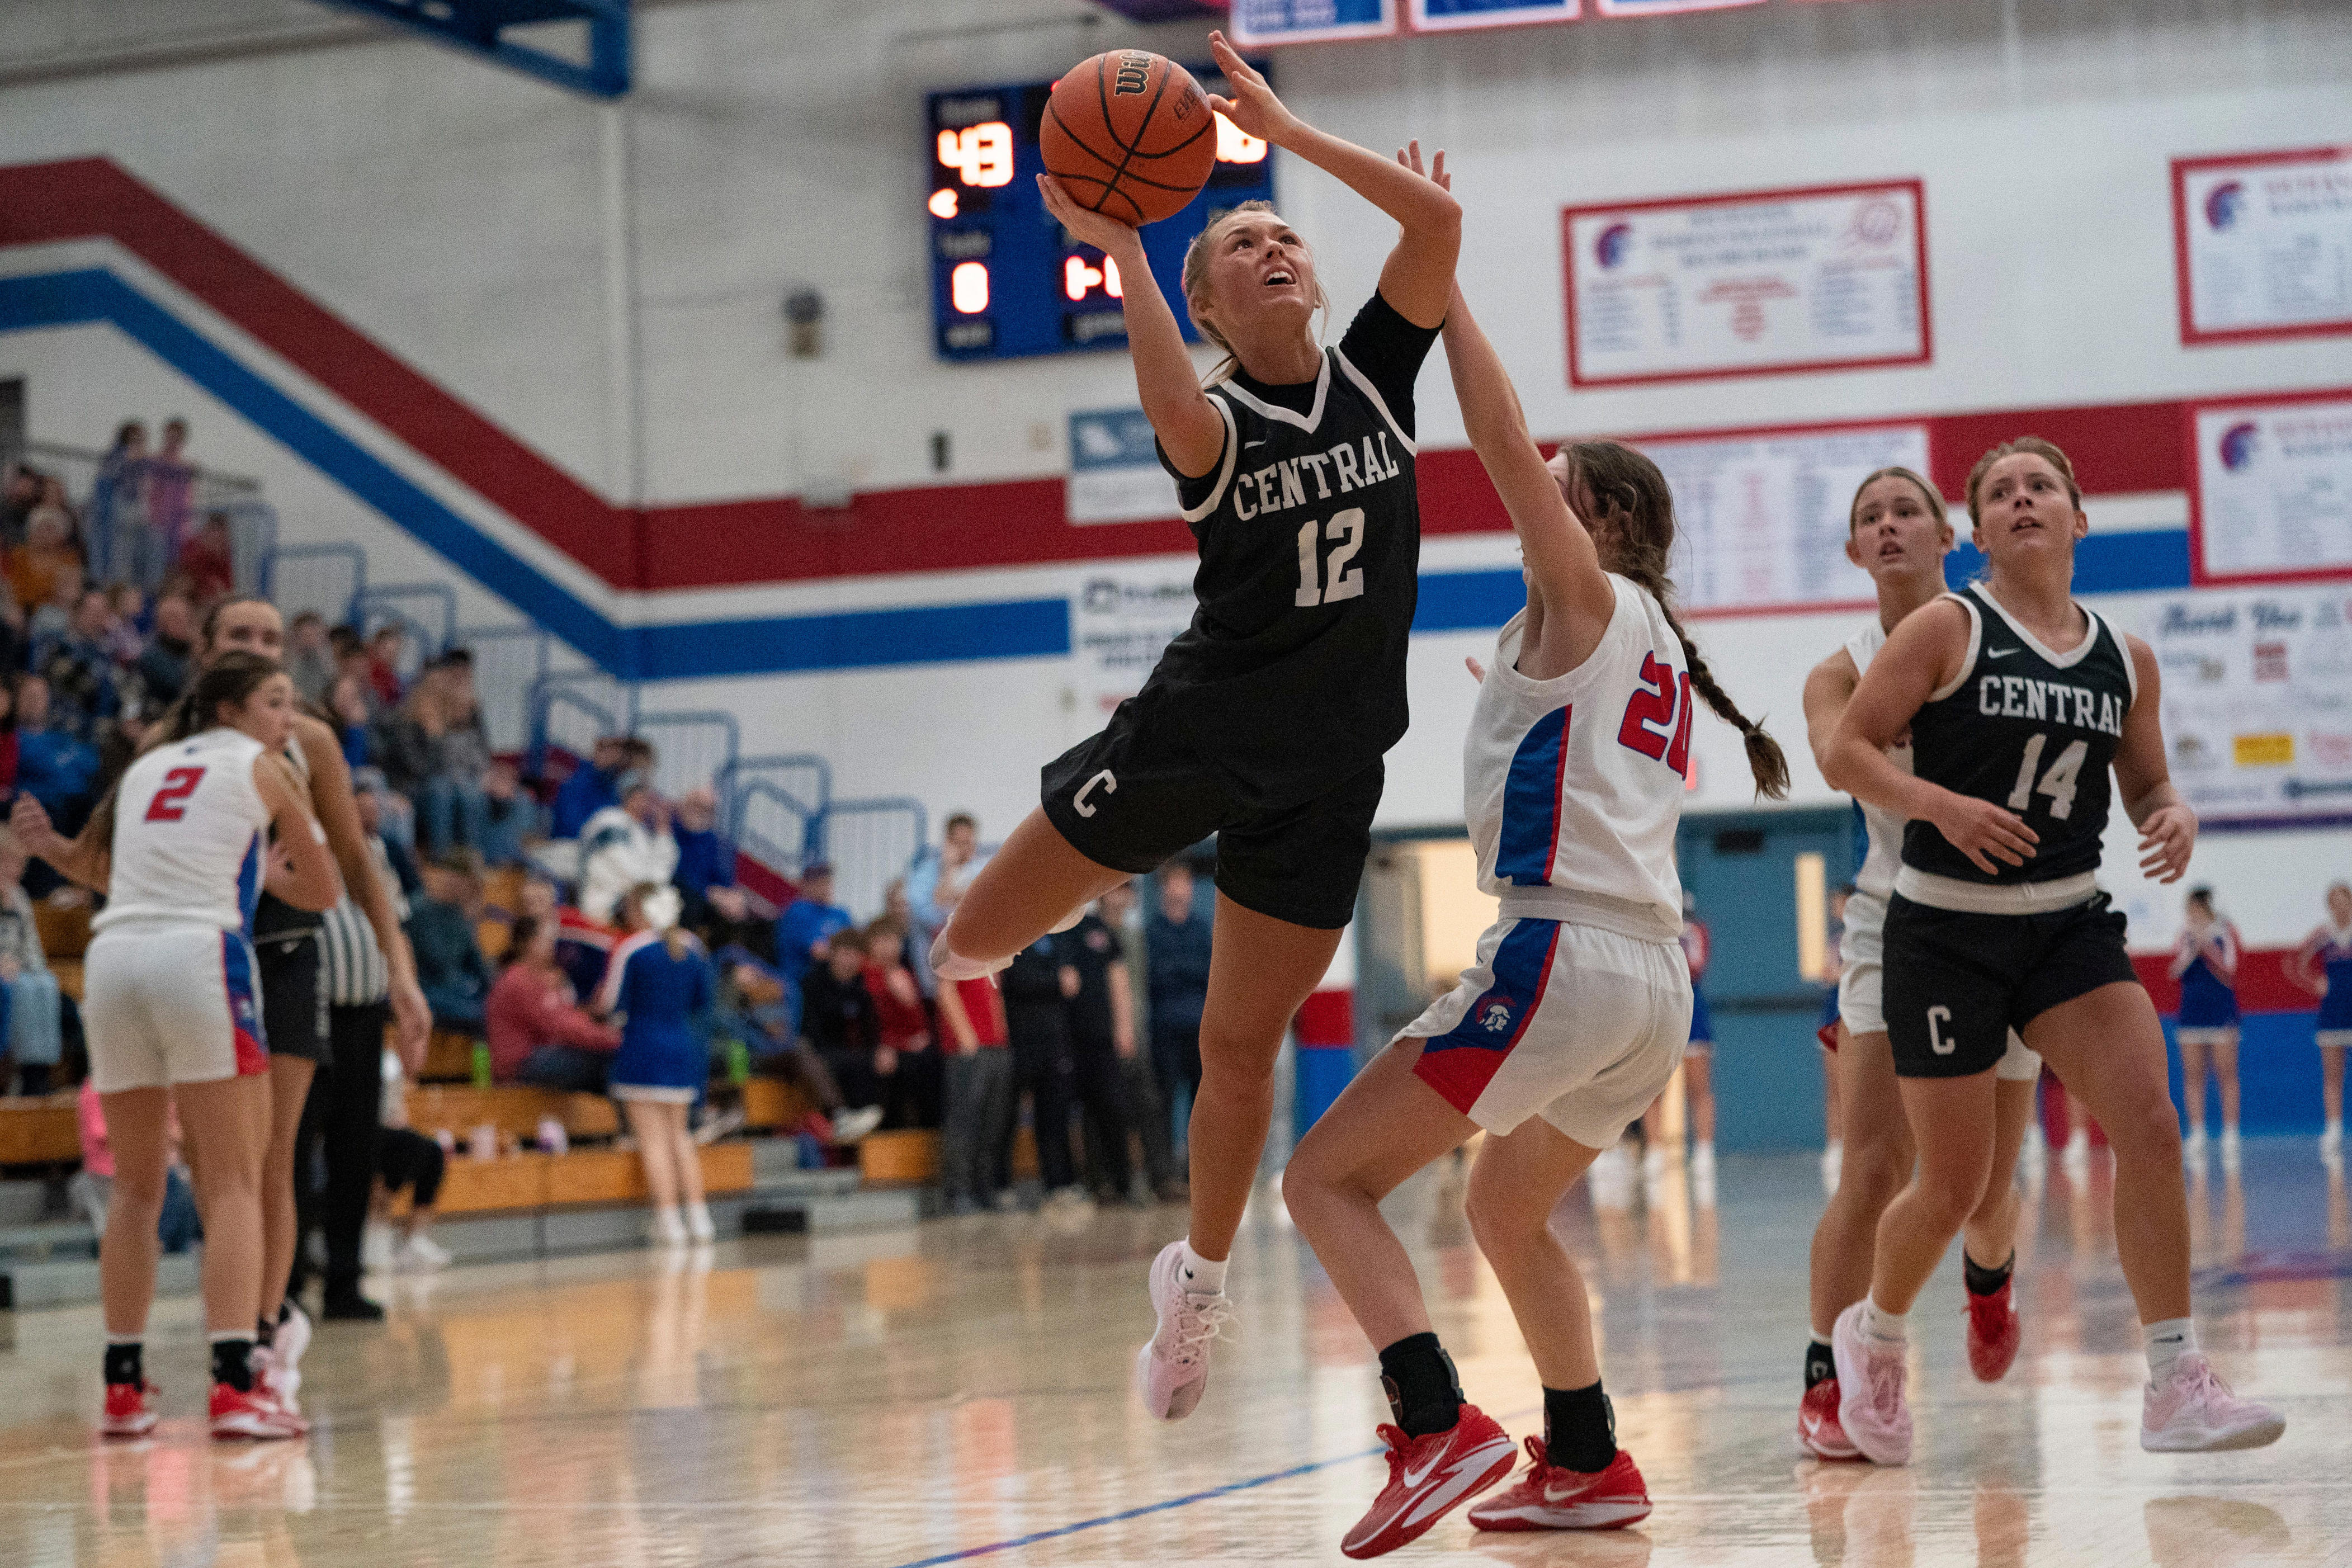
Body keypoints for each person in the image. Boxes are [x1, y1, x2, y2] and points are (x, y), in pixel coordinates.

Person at [931, 35, 1461, 1421]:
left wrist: (1287, 131)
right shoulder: (1212, 422)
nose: (1272, 243)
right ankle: (1038, 898)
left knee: (1241, 1054)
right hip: (1192, 736)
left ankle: (1197, 1287)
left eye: (1283, 231)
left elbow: (1438, 224)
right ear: (1207, 303)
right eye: (1239, 240)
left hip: (1330, 767)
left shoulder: (1374, 376)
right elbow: (1163, 393)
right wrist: (1119, 241)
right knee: (970, 943)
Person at [1283, 251, 1789, 1554]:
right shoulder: (1649, 637)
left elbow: (1496, 433)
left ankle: (1431, 1419)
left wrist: (1438, 286)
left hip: (1558, 950)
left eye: (1560, 490)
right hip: (1645, 979)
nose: (1531, 496)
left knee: (1324, 1179)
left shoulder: (1588, 596)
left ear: (1603, 522)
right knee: (1501, 1207)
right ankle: (1582, 1456)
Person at [1821, 435, 2283, 1460]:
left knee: (2152, 1123)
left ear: (2079, 517)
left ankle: (2173, 1376)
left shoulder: (2126, 655)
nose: (2022, 499)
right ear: (1976, 531)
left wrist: (2174, 813)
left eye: (2041, 487)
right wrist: (1941, 803)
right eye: (1999, 492)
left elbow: (2148, 783)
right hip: (1943, 924)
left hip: (2068, 921)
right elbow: (1850, 745)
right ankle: (1878, 1333)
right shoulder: (1947, 626)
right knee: (1954, 1184)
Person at [16, 651, 342, 1439]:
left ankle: (123, 1388)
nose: (284, 720)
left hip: (114, 957)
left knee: (134, 1188)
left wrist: (52, 849)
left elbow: (94, 867)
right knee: (231, 1181)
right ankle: (235, 1386)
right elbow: (325, 888)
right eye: (273, 702)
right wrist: (260, 876)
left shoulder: (149, 764)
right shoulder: (267, 766)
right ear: (230, 711)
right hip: (200, 956)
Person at [1793, 466, 2047, 1463]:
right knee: (1870, 1166)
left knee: (1980, 1187)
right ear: (1855, 552)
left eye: (1905, 510)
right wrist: (1937, 801)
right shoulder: (1838, 672)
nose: (1888, 525)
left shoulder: (2006, 642)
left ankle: (1990, 1274)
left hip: (2003, 925)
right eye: (1869, 517)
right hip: (1891, 923)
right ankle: (1827, 1373)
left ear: (1951, 534)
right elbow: (1833, 756)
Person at [295, 768, 407, 1314]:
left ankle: (345, 1282)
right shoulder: (291, 842)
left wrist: (407, 993)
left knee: (356, 1153)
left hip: (365, 1016)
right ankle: (287, 1284)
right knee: (293, 1155)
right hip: (306, 1016)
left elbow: (394, 928)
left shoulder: (372, 852)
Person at [599, 883, 717, 1245]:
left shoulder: (633, 949)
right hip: (682, 1047)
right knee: (680, 1137)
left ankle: (669, 1222)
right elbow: (704, 1000)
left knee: (652, 1141)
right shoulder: (693, 948)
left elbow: (610, 1003)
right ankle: (699, 1218)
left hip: (642, 1048)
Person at [998, 930, 1084, 1210]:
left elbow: (1072, 980)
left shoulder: (1059, 936)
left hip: (1055, 1038)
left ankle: (1059, 1184)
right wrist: (1055, 981)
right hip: (1017, 1039)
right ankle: (1000, 1184)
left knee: (1054, 1114)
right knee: (1006, 1116)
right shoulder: (1011, 935)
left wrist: (1058, 981)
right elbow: (1013, 979)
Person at [487, 914, 621, 1089]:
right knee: (607, 1064)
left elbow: (566, 1020)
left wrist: (607, 1035)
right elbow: (561, 1027)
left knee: (609, 1059)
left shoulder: (537, 979)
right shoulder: (518, 981)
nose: (553, 946)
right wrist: (616, 1040)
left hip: (537, 1056)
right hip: (520, 1065)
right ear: (531, 943)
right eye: (548, 940)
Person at [1063, 896, 1138, 1206]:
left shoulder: (1097, 928)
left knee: (1113, 1109)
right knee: (1082, 1117)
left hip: (1103, 1037)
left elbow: (1118, 977)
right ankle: (1097, 1183)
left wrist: (1124, 1026)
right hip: (1066, 1040)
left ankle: (1125, 1181)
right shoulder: (1048, 932)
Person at [1641, 893, 1715, 1191]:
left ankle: (1704, 1152)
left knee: (1699, 1087)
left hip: (1693, 1010)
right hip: (1662, 1010)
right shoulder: (1651, 929)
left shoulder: (1696, 931)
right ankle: (1656, 1151)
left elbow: (1695, 967)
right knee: (1653, 1088)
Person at [2170, 886, 2242, 1173]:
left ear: (2206, 908)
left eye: (2195, 908)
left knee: (2226, 1074)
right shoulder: (2184, 935)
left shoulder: (2225, 933)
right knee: (2193, 1074)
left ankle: (2230, 1134)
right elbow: (2175, 971)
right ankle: (2197, 1133)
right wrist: (2193, 948)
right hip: (2191, 1012)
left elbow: (2230, 971)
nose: (2191, 914)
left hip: (2221, 1011)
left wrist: (2207, 947)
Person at [1144, 860, 1212, 1162]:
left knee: (1203, 1101)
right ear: (1163, 888)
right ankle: (1167, 1168)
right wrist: (1188, 970)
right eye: (1174, 883)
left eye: (1185, 883)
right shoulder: (1153, 931)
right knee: (1165, 1099)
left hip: (1199, 1028)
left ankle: (1199, 1166)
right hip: (1166, 1028)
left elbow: (1209, 974)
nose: (1180, 890)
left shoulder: (1201, 929)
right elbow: (1156, 976)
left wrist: (1180, 969)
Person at [937, 965, 1013, 1215]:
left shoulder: (992, 954)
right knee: (965, 1122)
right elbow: (946, 991)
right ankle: (959, 1192)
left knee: (992, 1123)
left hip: (995, 1046)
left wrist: (1002, 1036)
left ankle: (984, 1189)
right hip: (970, 1048)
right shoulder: (959, 942)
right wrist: (966, 1037)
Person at [798, 924, 890, 1123]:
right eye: (844, 954)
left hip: (854, 1051)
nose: (849, 960)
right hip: (822, 1048)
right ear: (832, 955)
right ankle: (841, 1114)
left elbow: (871, 1027)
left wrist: (878, 1049)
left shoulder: (862, 986)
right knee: (808, 1052)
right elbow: (809, 1028)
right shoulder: (813, 983)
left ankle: (880, 1120)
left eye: (854, 955)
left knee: (881, 1061)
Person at [2289, 881, 2352, 1162]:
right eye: (2333, 903)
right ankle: (2334, 1130)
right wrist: (2314, 983)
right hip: (2332, 1015)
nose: (2339, 907)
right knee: (2333, 1075)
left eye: (2344, 901)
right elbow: (2293, 963)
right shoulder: (2323, 935)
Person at [0, 826, 65, 1095]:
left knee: (44, 984)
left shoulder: (20, 898)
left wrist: (23, 966)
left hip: (16, 973)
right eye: (7, 861)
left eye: (19, 863)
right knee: (20, 989)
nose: (14, 869)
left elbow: (34, 952)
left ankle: (36, 1074)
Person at [861, 919, 940, 1129]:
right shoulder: (870, 976)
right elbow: (873, 1022)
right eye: (884, 941)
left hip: (917, 1047)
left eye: (894, 940)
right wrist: (896, 1043)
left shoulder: (905, 972)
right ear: (872, 945)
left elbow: (919, 1018)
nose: (890, 946)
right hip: (890, 1049)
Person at [578, 773, 678, 928]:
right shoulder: (610, 820)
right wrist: (653, 884)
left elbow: (665, 870)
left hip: (635, 902)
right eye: (642, 795)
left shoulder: (642, 832)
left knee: (671, 900)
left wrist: (663, 831)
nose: (647, 802)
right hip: (606, 904)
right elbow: (626, 871)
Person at [408, 856, 491, 1032]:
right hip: (427, 989)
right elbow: (438, 962)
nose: (471, 891)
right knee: (480, 1015)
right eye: (470, 885)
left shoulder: (458, 914)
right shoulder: (419, 910)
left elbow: (476, 963)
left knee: (499, 1008)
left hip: (455, 990)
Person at [906, 811, 983, 1000]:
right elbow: (931, 916)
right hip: (934, 954)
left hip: (973, 954)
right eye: (959, 842)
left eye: (969, 842)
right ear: (948, 842)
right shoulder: (925, 872)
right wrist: (949, 869)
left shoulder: (983, 869)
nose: (965, 848)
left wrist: (951, 898)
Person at [13, 675, 103, 836]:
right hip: (44, 807)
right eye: (29, 696)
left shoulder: (60, 737)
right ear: (15, 699)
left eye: (41, 696)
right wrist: (69, 759)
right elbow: (48, 767)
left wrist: (63, 760)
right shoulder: (14, 739)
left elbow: (92, 762)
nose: (35, 702)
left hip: (79, 804)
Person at [775, 861, 853, 1002]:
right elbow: (818, 952)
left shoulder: (841, 914)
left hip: (839, 985)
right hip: (802, 986)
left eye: (827, 882)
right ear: (806, 885)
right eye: (820, 883)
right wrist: (846, 955)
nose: (825, 888)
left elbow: (857, 947)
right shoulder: (797, 911)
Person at [87, 421, 151, 588]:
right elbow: (108, 478)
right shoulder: (117, 456)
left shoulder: (142, 460)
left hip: (131, 507)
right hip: (116, 507)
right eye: (135, 439)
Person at [670, 786, 735, 929]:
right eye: (696, 806)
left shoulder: (718, 844)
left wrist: (730, 897)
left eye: (707, 809)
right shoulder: (670, 831)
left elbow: (723, 882)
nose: (699, 812)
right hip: (676, 896)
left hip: (704, 905)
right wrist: (707, 892)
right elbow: (673, 873)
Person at [550, 735, 629, 839]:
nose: (612, 759)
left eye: (617, 755)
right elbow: (568, 824)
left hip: (601, 844)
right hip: (571, 843)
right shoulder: (576, 781)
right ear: (598, 752)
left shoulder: (613, 789)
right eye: (608, 752)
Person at [136, 593, 197, 710]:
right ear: (164, 623)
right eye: (178, 619)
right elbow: (179, 689)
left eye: (188, 619)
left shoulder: (188, 649)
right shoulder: (152, 656)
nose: (187, 625)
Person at [178, 513, 238, 606]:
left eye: (223, 537)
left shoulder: (223, 554)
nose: (220, 541)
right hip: (192, 600)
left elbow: (227, 586)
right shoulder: (192, 550)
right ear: (207, 531)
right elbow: (187, 581)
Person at [284, 611, 337, 708]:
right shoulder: (288, 662)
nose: (310, 641)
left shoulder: (331, 661)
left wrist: (321, 652)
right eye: (305, 636)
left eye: (315, 635)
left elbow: (334, 681)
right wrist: (295, 651)